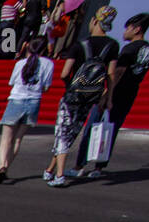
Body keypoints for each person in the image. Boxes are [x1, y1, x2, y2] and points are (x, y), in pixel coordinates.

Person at [70, 12, 149, 178]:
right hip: (130, 94)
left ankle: (79, 165)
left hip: (116, 93)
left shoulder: (130, 48)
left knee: (92, 127)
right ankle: (98, 168)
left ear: (137, 29)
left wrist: (106, 95)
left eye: (127, 28)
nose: (124, 32)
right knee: (110, 131)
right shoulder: (148, 48)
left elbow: (118, 73)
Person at [44, 6, 119, 186]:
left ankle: (59, 175)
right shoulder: (112, 46)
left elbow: (64, 73)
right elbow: (111, 75)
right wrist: (107, 98)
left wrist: (71, 87)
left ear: (94, 21)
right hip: (92, 97)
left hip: (73, 96)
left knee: (63, 133)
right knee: (71, 133)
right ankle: (49, 169)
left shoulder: (80, 44)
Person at [0, 36, 54, 182]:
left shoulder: (20, 63)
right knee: (18, 139)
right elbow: (46, 87)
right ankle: (6, 168)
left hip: (16, 100)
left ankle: (2, 166)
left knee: (6, 139)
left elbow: (11, 82)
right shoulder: (48, 64)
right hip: (33, 102)